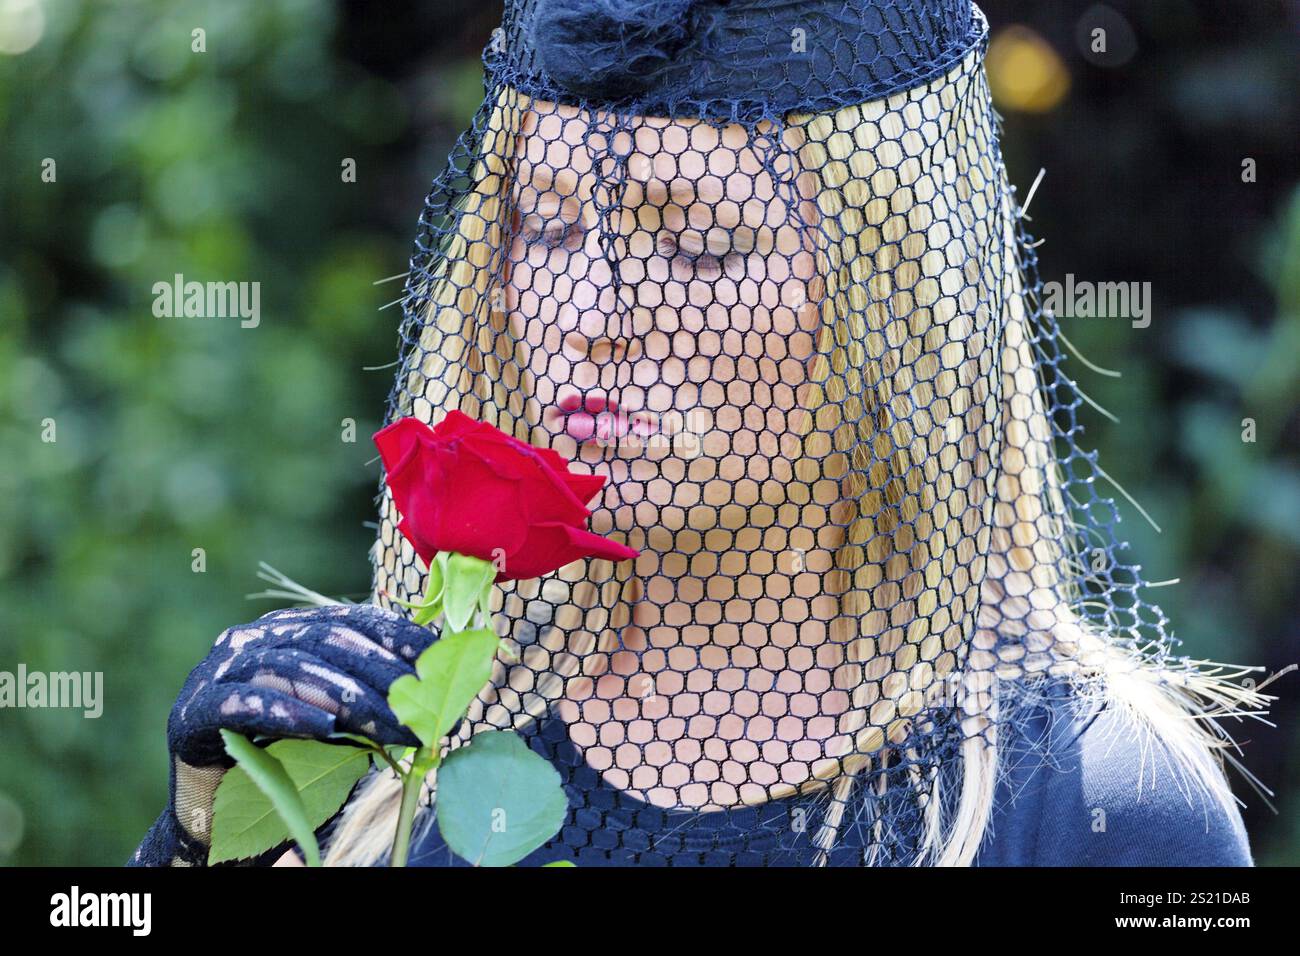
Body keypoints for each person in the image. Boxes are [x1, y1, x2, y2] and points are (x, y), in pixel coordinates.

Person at [131, 0, 1267, 868]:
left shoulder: (1095, 798)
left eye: (700, 250)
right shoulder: (408, 746)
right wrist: (197, 839)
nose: (593, 319)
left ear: (898, 296)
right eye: (550, 224)